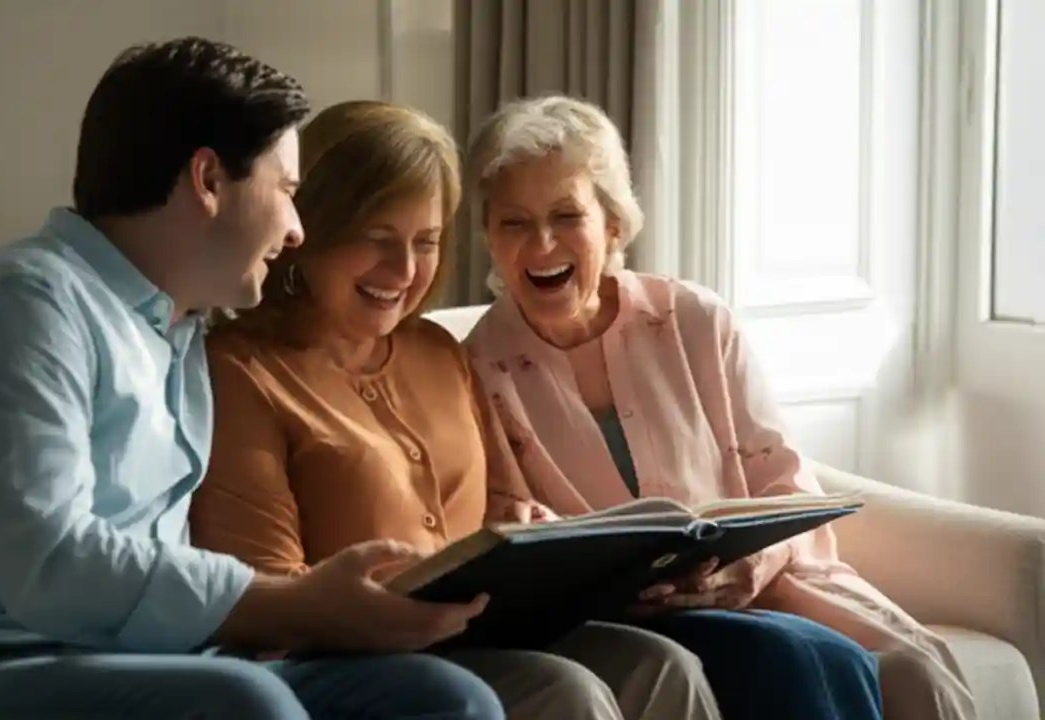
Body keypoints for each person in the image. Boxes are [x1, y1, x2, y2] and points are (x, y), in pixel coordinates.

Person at [0, 37, 509, 720]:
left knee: (447, 698)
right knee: (243, 704)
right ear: (207, 180)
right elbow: (51, 561)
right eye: (286, 192)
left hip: (156, 661)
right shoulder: (26, 302)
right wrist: (294, 602)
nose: (297, 231)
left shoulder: (182, 331)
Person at [190, 99, 879, 720]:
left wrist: (527, 525)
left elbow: (499, 505)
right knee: (569, 690)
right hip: (351, 652)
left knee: (662, 664)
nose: (403, 270)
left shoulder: (436, 351)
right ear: (311, 228)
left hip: (483, 630)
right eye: (375, 236)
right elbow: (265, 591)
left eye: (425, 241)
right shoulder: (242, 368)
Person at [461, 95, 978, 720]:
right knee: (801, 662)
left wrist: (744, 569)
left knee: (918, 672)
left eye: (567, 215)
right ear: (489, 237)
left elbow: (787, 487)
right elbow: (506, 534)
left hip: (768, 585)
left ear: (613, 224)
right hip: (621, 624)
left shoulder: (694, 320)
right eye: (514, 223)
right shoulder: (473, 369)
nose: (542, 243)